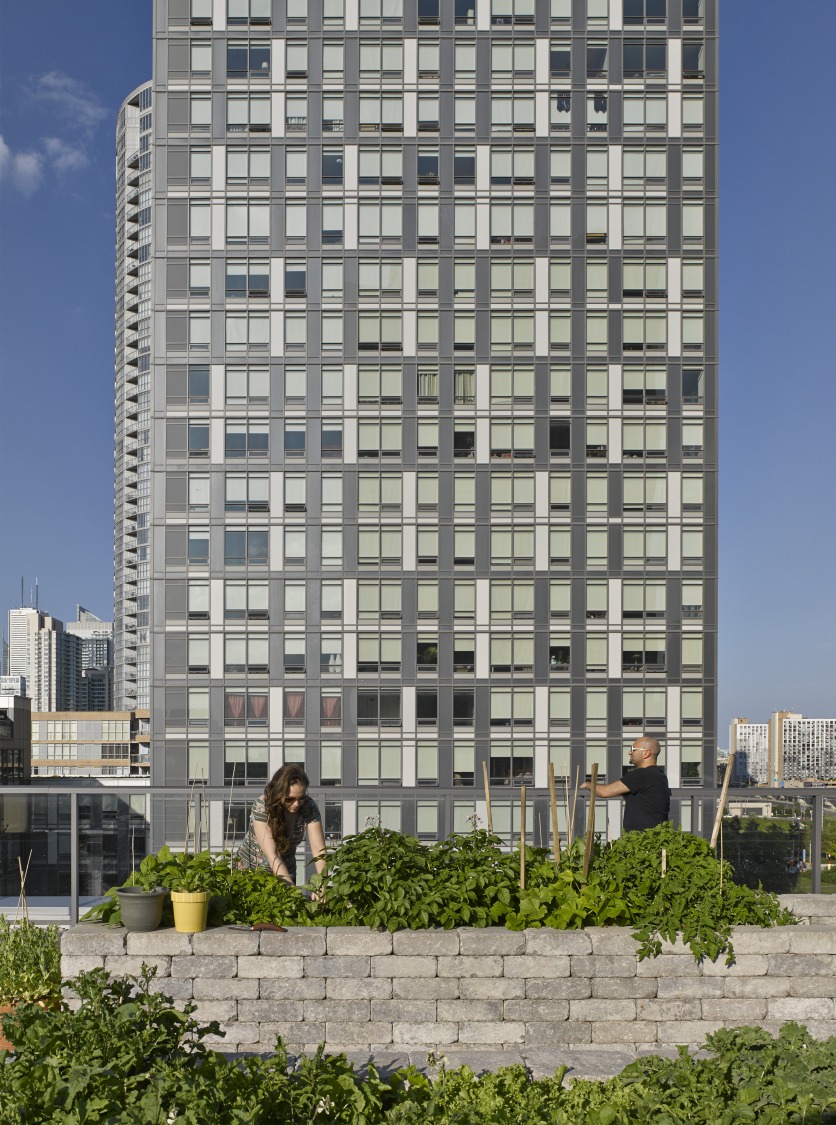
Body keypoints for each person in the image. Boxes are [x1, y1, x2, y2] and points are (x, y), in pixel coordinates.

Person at [235, 763, 327, 887]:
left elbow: (318, 849)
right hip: (252, 871)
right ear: (278, 792)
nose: (296, 804)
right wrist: (291, 891)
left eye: (301, 798)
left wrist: (322, 884)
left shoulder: (308, 806)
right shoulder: (263, 806)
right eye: (290, 799)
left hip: (287, 869)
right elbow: (272, 854)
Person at [581, 736, 671, 832]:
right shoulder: (659, 775)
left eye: (633, 749)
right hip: (656, 836)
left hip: (641, 840)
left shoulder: (642, 774)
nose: (629, 753)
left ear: (646, 753)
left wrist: (587, 785)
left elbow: (605, 792)